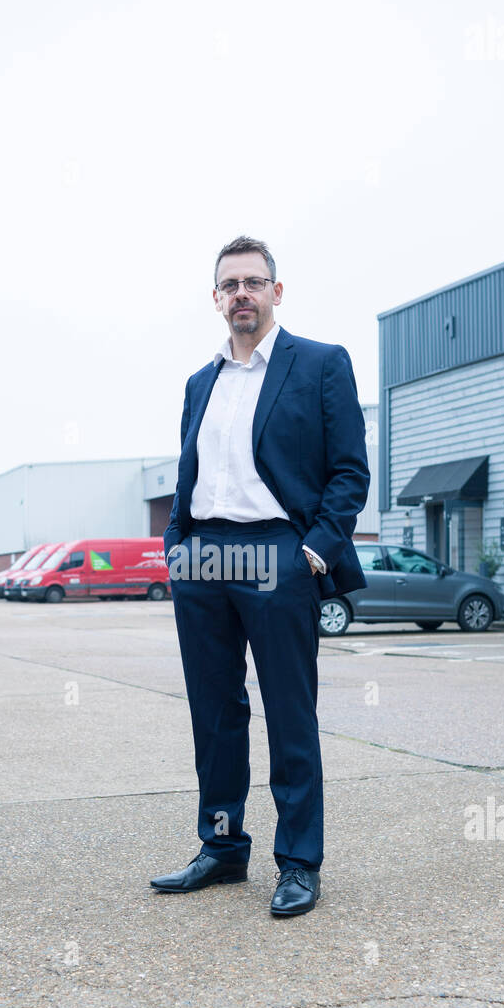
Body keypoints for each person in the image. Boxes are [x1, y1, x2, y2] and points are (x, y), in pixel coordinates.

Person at [150, 236, 370, 917]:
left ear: (276, 291)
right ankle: (222, 848)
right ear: (216, 299)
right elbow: (188, 473)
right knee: (215, 715)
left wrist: (314, 550)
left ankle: (298, 862)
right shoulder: (200, 382)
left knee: (289, 713)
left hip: (279, 552)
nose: (240, 293)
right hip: (202, 558)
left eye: (252, 282)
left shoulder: (321, 364)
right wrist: (176, 546)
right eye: (229, 284)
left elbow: (349, 471)